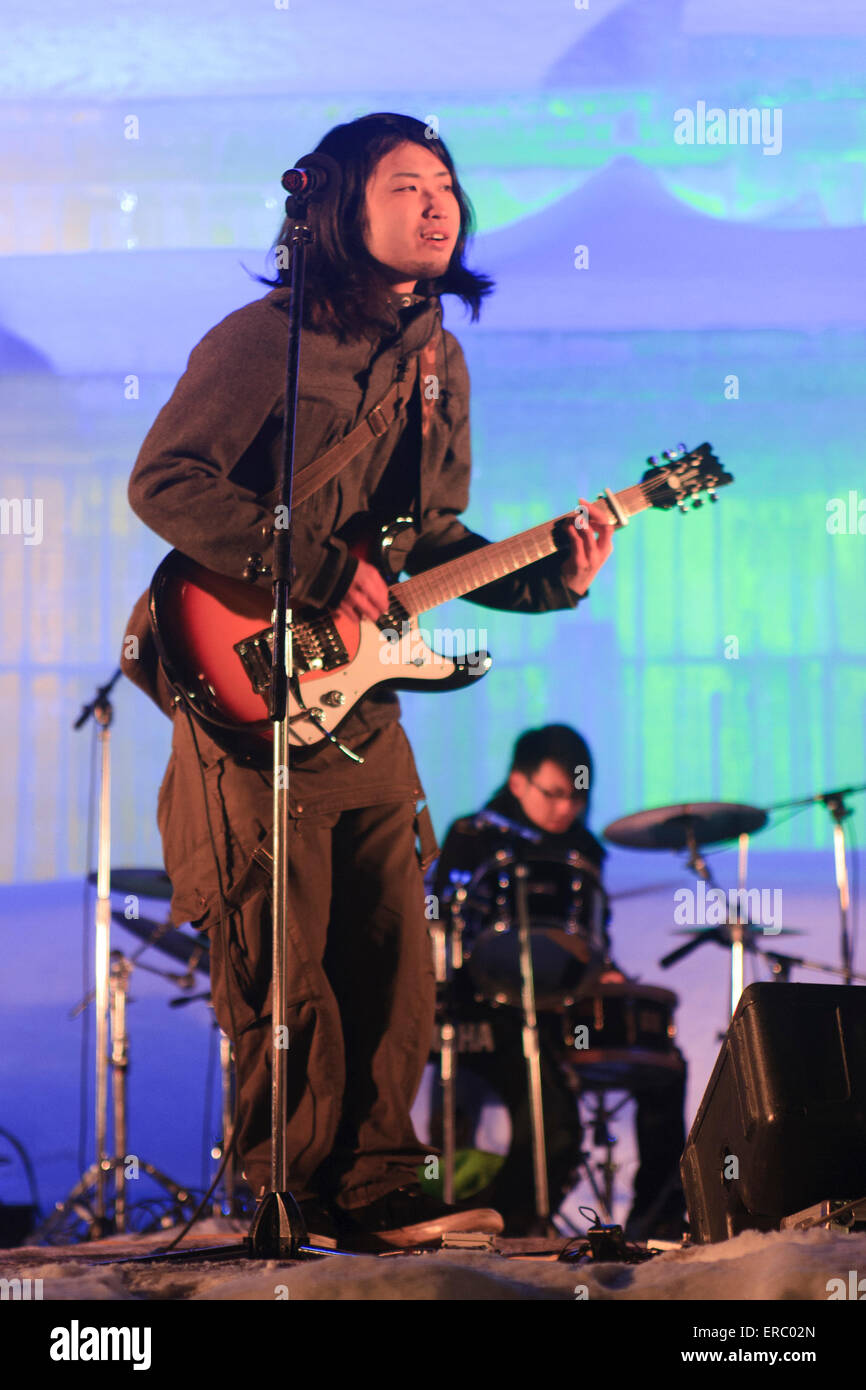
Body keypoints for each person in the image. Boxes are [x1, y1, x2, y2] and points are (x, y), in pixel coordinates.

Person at [121, 112, 615, 1251]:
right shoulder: (265, 339)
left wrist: (550, 580)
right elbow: (166, 482)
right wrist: (310, 560)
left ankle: (384, 1185)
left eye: (446, 183)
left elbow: (430, 541)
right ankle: (287, 1189)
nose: (438, 202)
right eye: (405, 184)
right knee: (280, 953)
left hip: (358, 698)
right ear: (339, 206)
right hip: (245, 690)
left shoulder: (440, 359)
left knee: (393, 942)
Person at [432, 724, 688, 1240]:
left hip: (564, 1010)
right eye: (554, 794)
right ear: (518, 783)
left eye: (577, 797)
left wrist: (605, 970)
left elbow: (590, 936)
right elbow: (439, 926)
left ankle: (654, 1218)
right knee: (553, 1121)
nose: (566, 808)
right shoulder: (472, 837)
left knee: (664, 1065)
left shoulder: (584, 848)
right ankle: (509, 1224)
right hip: (482, 1009)